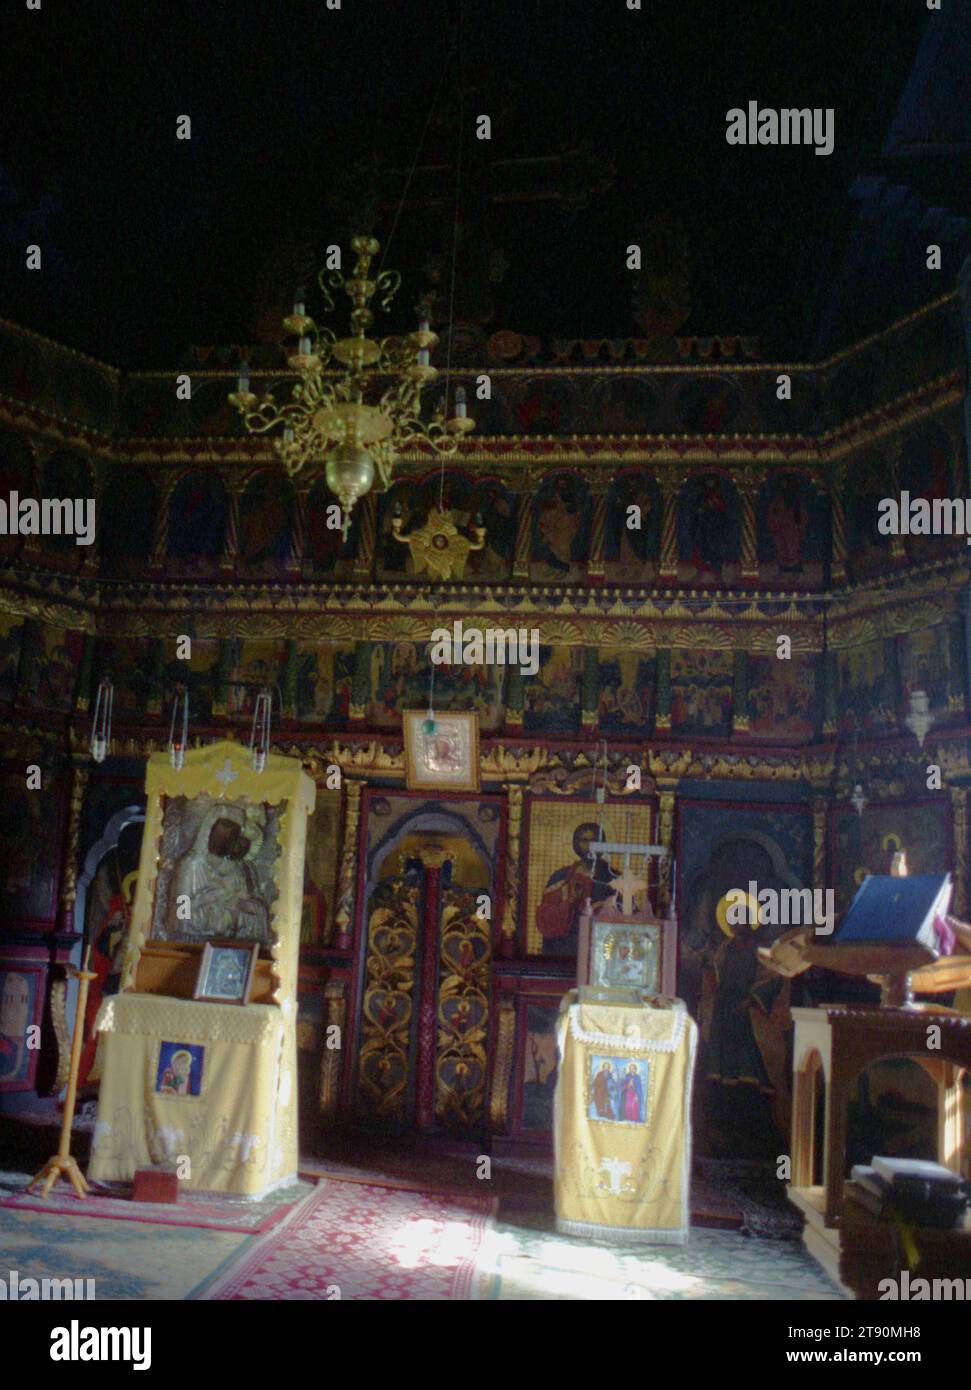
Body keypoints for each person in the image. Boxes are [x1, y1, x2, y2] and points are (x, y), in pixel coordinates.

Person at [536, 822, 618, 958]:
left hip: (600, 951)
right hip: (563, 952)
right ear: (575, 844)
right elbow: (545, 918)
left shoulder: (615, 879)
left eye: (595, 841)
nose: (590, 846)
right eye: (584, 840)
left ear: (603, 843)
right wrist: (569, 903)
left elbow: (626, 917)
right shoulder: (561, 878)